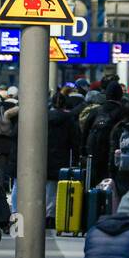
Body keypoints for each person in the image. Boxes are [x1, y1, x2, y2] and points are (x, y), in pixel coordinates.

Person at [46, 91, 82, 224]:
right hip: (62, 157)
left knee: (44, 187)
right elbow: (75, 142)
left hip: (44, 157)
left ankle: (41, 213)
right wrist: (76, 158)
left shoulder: (44, 117)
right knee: (56, 188)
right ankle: (51, 215)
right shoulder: (69, 120)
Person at [84, 80, 126, 186]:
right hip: (115, 157)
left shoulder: (96, 111)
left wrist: (83, 152)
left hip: (94, 155)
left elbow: (84, 133)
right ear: (120, 95)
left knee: (94, 186)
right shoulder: (124, 112)